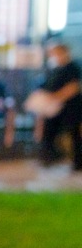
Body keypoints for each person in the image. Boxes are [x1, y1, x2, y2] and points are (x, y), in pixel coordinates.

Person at [37, 40, 82, 171]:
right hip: (54, 108)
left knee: (74, 134)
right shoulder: (55, 69)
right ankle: (50, 158)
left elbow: (73, 87)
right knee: (49, 132)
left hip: (71, 108)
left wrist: (56, 97)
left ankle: (78, 163)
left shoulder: (72, 67)